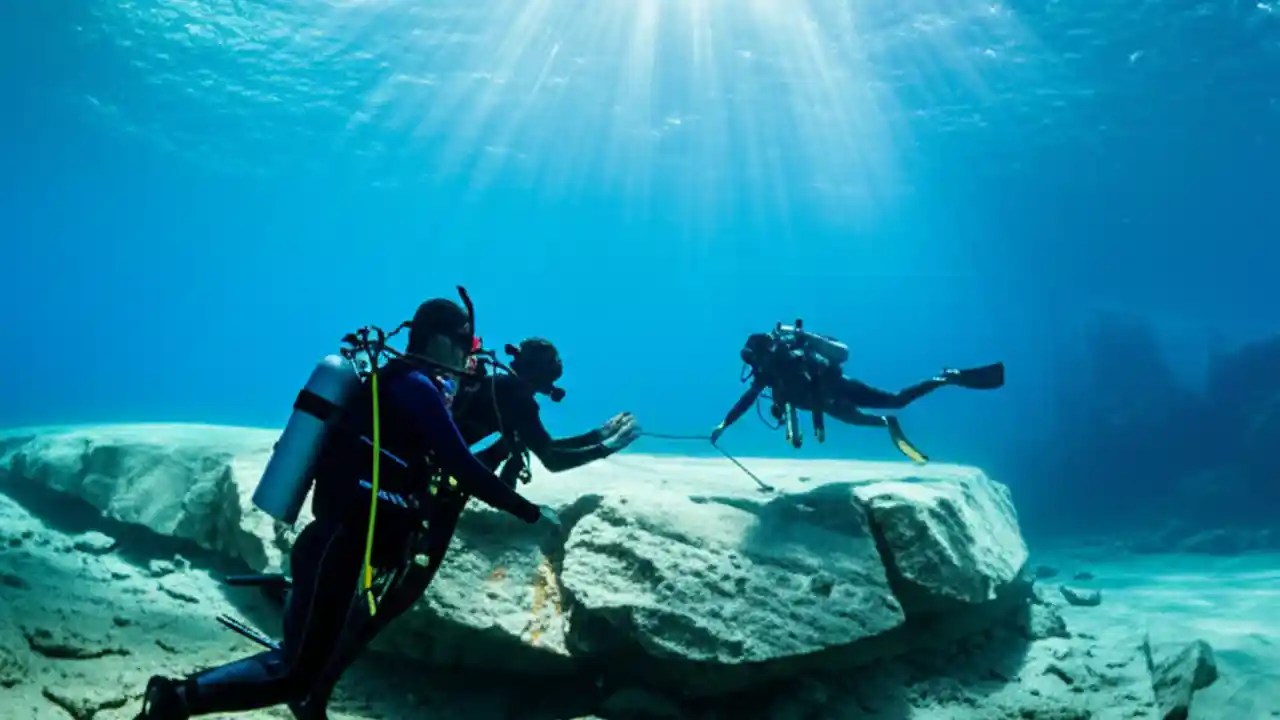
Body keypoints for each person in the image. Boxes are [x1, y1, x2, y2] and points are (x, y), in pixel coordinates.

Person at [134, 297, 557, 720]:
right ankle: (175, 700)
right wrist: (528, 512)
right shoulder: (414, 385)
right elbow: (460, 464)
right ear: (439, 340)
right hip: (338, 545)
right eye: (465, 340)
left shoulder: (406, 383)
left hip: (337, 543)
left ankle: (176, 700)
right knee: (296, 675)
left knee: (297, 665)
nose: (470, 351)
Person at [292, 337, 639, 716]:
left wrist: (597, 435)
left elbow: (543, 444)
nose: (555, 380)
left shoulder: (490, 386)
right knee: (385, 605)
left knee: (366, 593)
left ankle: (305, 672)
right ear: (540, 373)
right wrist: (608, 447)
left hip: (417, 495)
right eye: (553, 370)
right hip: (435, 509)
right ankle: (313, 690)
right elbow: (552, 458)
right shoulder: (517, 398)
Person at [710, 324, 1004, 463]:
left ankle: (947, 377)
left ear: (768, 350)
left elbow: (840, 355)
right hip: (828, 406)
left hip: (841, 389)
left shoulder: (795, 354)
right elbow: (747, 399)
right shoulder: (766, 374)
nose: (757, 365)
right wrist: (725, 423)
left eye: (758, 358)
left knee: (897, 399)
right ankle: (890, 424)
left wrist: (809, 339)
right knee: (871, 418)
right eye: (754, 361)